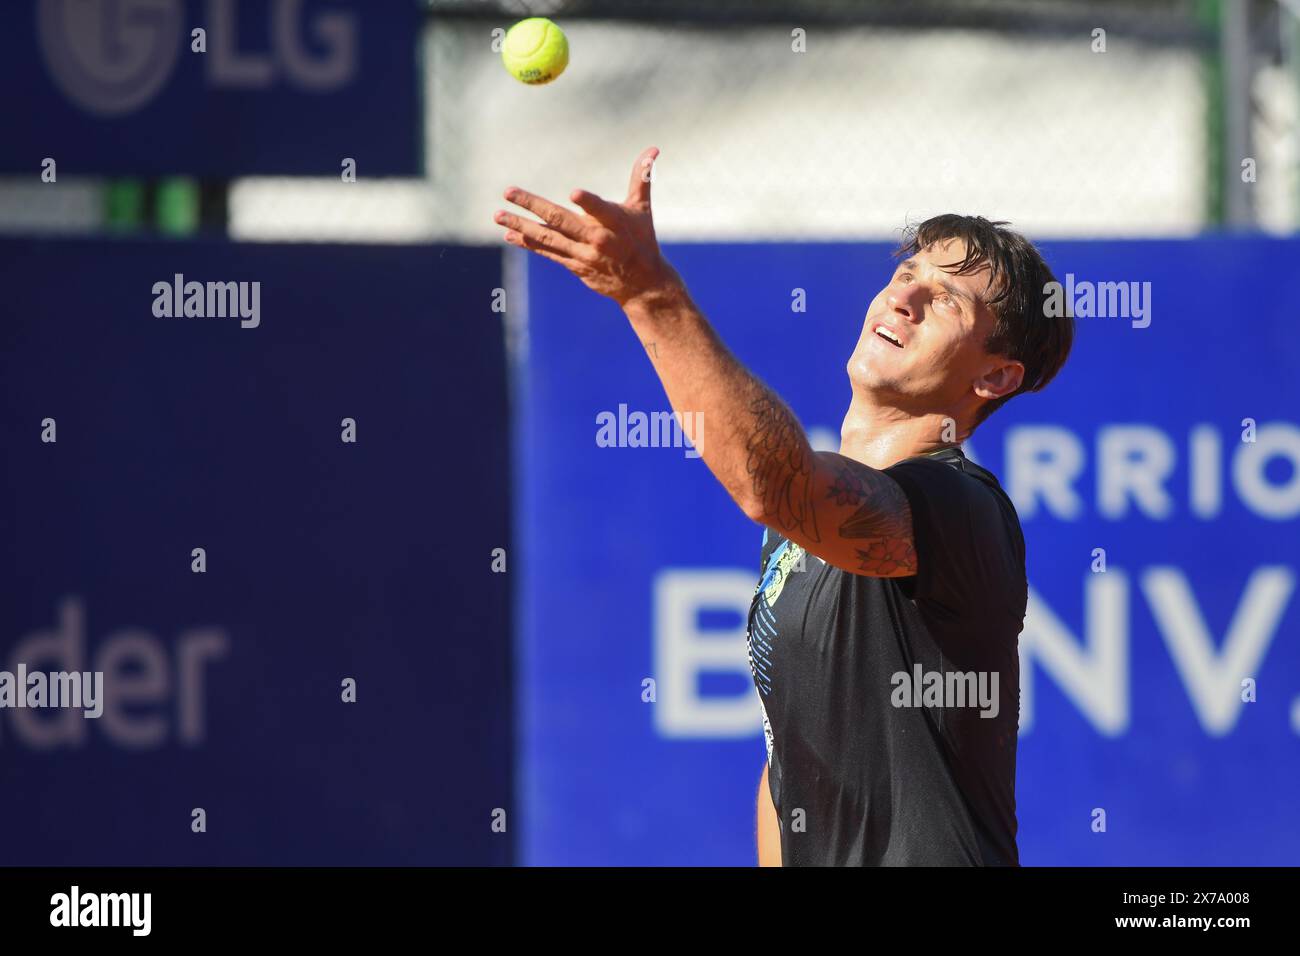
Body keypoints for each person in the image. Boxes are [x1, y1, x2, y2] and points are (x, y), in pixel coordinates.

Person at [493, 147, 1074, 866]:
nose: (905, 299)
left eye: (948, 300)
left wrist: (652, 297)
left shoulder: (960, 507)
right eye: (906, 275)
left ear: (995, 377)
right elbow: (787, 766)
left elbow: (772, 485)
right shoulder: (800, 537)